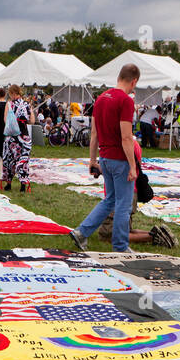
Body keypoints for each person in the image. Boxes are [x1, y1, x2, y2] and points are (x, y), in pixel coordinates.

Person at [68, 63, 141, 253]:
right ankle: (120, 246)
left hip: (105, 158)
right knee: (123, 206)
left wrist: (92, 160)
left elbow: (94, 134)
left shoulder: (101, 99)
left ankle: (82, 232)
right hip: (120, 159)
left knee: (109, 200)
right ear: (133, 82)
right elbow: (126, 137)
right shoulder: (125, 101)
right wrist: (133, 166)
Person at [0, 84, 33, 192]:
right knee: (23, 160)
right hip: (24, 136)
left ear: (12, 93)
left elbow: (5, 120)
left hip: (12, 137)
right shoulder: (26, 104)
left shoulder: (9, 104)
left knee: (10, 160)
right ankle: (23, 185)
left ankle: (8, 184)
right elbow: (31, 121)